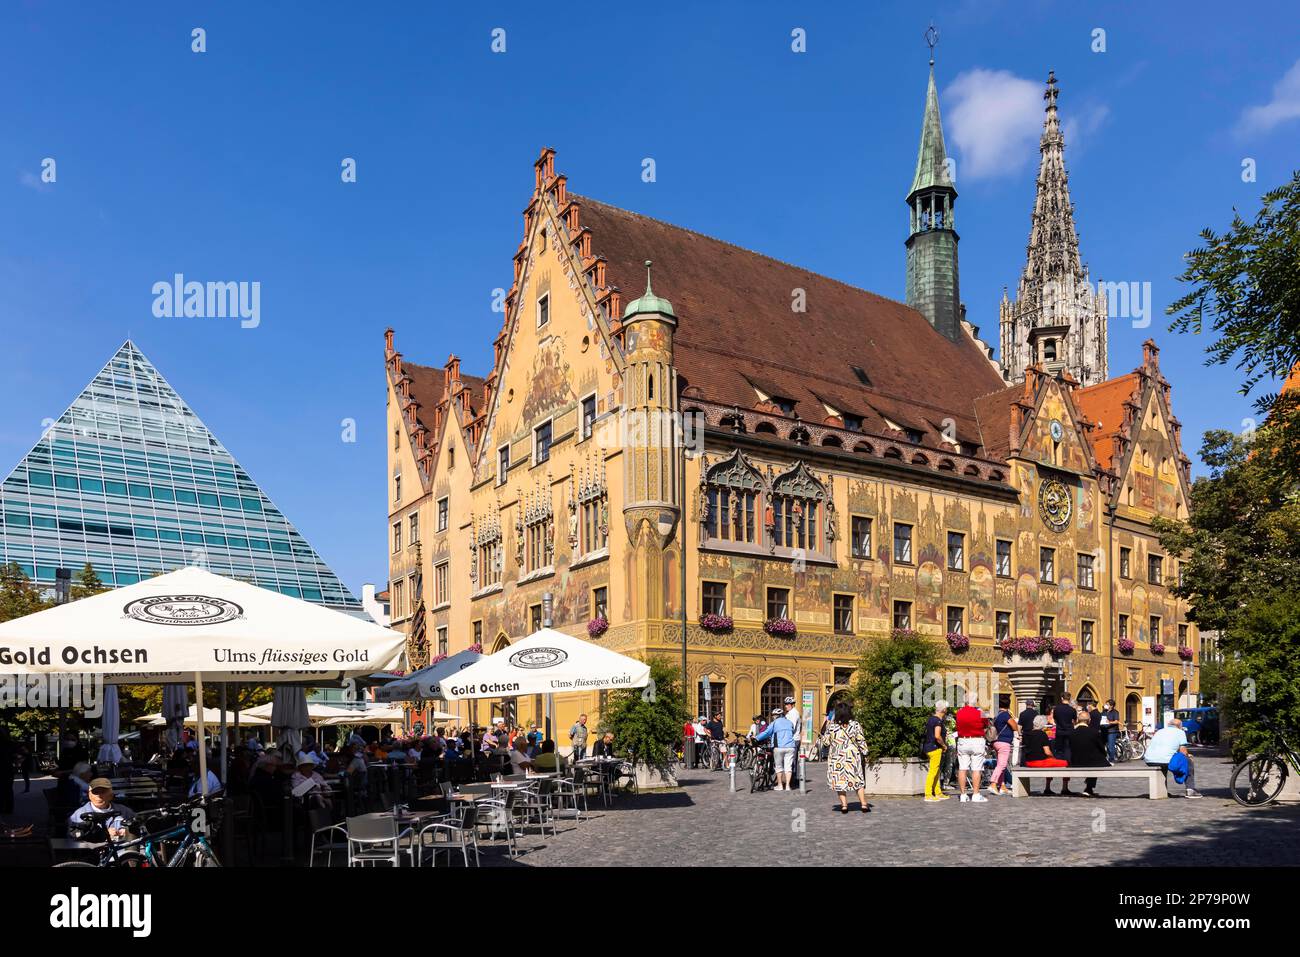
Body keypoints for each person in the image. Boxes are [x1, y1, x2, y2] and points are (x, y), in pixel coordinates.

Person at [819, 701, 870, 814]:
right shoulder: (855, 725)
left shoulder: (832, 727)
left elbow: (826, 743)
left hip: (837, 758)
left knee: (839, 781)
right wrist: (865, 753)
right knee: (857, 780)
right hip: (852, 756)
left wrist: (824, 735)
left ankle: (844, 806)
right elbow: (861, 740)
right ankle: (864, 804)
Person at [1144, 718, 1202, 798]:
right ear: (1180, 726)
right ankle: (1190, 790)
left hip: (1149, 759)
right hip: (1165, 759)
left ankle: (1163, 791)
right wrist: (1188, 756)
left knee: (1163, 762)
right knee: (1188, 761)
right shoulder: (1180, 732)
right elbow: (1183, 751)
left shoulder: (1159, 731)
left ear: (1168, 725)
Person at [69, 778, 135, 840]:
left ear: (111, 795)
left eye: (103, 792)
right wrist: (104, 835)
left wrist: (128, 832)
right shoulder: (79, 815)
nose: (99, 796)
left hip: (122, 850)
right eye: (95, 792)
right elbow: (74, 839)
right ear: (89, 795)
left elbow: (139, 829)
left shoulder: (124, 811)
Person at [954, 693, 989, 803]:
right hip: (977, 740)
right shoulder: (980, 712)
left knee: (962, 768)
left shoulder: (959, 712)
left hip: (963, 740)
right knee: (976, 768)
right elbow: (986, 724)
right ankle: (975, 794)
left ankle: (963, 794)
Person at [753, 707, 798, 791]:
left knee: (779, 766)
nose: (773, 717)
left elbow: (767, 732)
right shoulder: (789, 722)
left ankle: (780, 785)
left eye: (774, 715)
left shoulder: (774, 723)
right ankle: (788, 786)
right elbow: (792, 731)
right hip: (791, 747)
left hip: (779, 747)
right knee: (788, 767)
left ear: (777, 716)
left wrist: (757, 738)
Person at [1022, 715, 1067, 794]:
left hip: (1028, 761)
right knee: (1066, 763)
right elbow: (1047, 752)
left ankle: (1048, 788)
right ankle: (1063, 788)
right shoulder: (1042, 734)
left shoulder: (1026, 734)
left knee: (1050, 762)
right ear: (1043, 724)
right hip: (1039, 762)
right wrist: (1054, 757)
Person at [1069, 712, 1109, 797]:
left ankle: (1089, 787)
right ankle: (1089, 787)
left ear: (1077, 720)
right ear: (1089, 721)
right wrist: (1104, 755)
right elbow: (1101, 748)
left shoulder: (1072, 733)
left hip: (1076, 761)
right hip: (1092, 762)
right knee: (1096, 762)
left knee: (1093, 761)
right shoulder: (1094, 732)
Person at [988, 703, 1017, 795]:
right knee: (1002, 765)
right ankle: (993, 783)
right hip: (1004, 742)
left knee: (1001, 765)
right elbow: (1014, 726)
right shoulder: (1005, 715)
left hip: (996, 742)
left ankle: (1002, 786)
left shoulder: (997, 716)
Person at [1051, 693, 1077, 795]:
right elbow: (1074, 720)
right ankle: (1065, 784)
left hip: (1060, 733)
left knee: (1059, 754)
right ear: (1069, 699)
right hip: (1069, 732)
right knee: (1068, 755)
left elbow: (1055, 719)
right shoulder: (1072, 710)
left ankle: (1053, 780)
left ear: (1062, 698)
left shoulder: (1057, 709)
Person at [923, 701, 949, 802]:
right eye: (946, 708)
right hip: (935, 748)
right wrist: (944, 745)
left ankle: (937, 792)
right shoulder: (937, 721)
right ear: (943, 710)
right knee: (933, 771)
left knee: (937, 771)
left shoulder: (931, 719)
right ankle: (928, 794)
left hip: (928, 747)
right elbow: (937, 736)